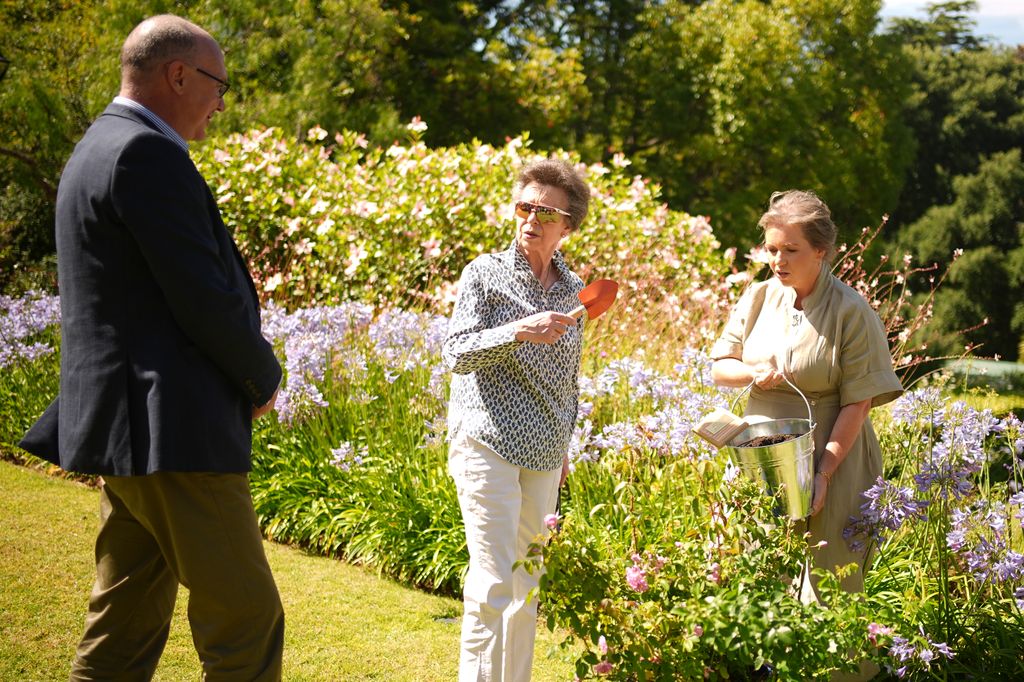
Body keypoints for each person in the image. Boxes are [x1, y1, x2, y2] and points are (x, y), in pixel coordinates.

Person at [18, 15, 285, 680]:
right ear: (177, 75)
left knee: (124, 628)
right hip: (173, 433)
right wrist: (262, 379)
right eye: (219, 87)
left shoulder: (98, 147)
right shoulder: (145, 154)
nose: (220, 104)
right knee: (246, 622)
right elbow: (200, 296)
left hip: (130, 436)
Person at [710, 190, 903, 599]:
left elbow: (859, 402)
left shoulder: (852, 311)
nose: (778, 261)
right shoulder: (757, 297)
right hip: (761, 453)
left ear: (821, 251)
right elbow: (720, 368)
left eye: (791, 250)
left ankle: (842, 666)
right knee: (757, 574)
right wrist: (751, 373)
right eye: (771, 249)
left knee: (832, 581)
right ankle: (757, 666)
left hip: (835, 454)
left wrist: (823, 474)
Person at [442, 158, 590, 681]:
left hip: (546, 455)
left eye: (545, 212)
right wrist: (517, 330)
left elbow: (569, 378)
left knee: (528, 583)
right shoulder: (484, 274)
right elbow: (456, 354)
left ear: (568, 225)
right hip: (488, 441)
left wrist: (565, 447)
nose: (531, 218)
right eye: (524, 206)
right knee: (492, 582)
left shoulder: (576, 291)